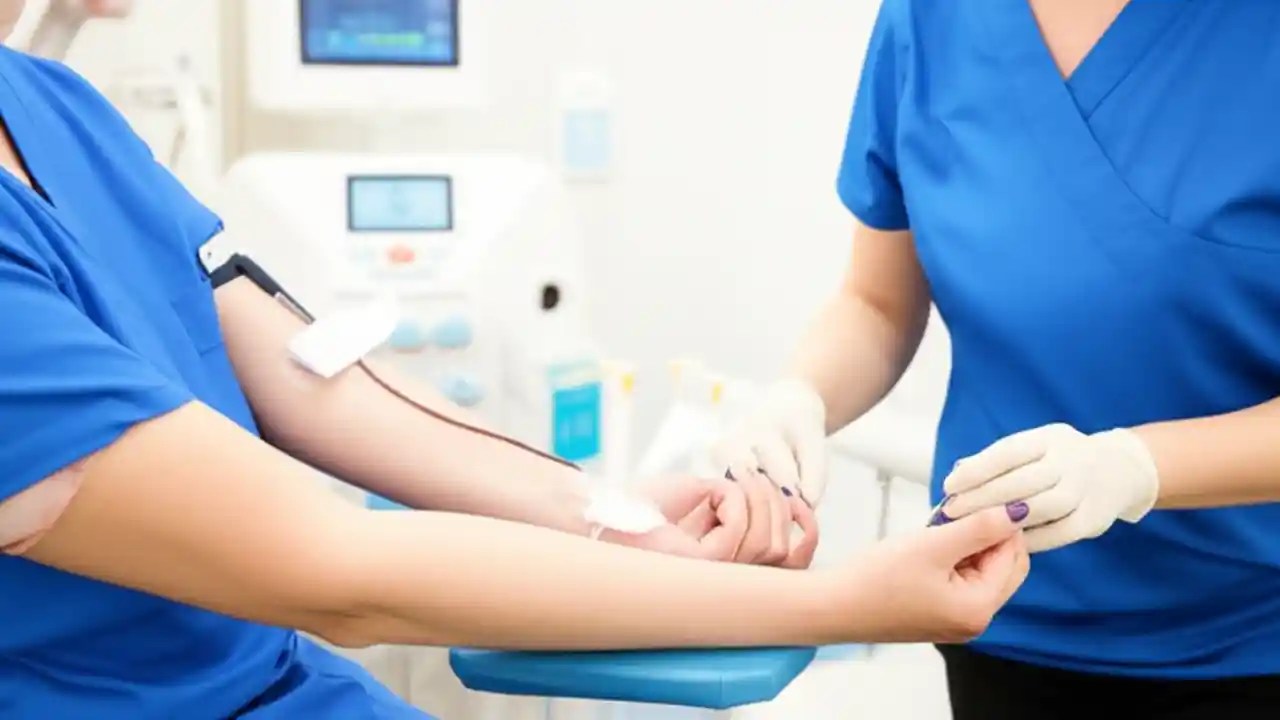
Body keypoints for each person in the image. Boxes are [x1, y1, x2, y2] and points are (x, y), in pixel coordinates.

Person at [0, 3, 1031, 719]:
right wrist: (847, 601)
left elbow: (317, 372)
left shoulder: (57, 109)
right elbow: (335, 572)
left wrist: (611, 516)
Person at [713, 0, 1280, 718]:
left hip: (1250, 645)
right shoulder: (931, 20)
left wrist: (1137, 467)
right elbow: (877, 305)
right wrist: (801, 396)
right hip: (994, 620)